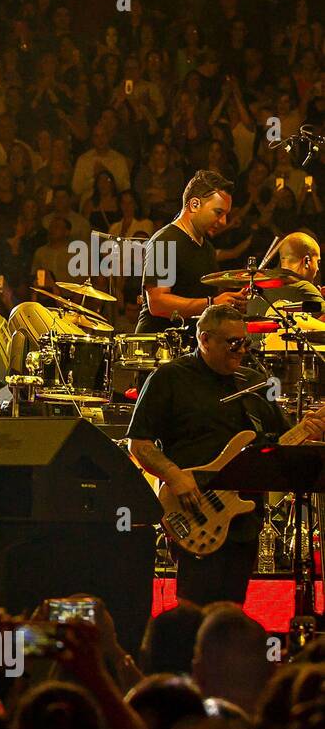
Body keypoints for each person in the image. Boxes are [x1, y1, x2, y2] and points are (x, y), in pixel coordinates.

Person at [126, 304, 325, 605]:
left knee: (231, 613)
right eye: (233, 343)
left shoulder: (254, 382)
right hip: (193, 509)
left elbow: (282, 442)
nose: (241, 350)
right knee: (194, 613)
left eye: (244, 342)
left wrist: (310, 430)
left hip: (244, 517)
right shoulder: (170, 377)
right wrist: (175, 476)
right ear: (205, 340)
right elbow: (138, 444)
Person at [136, 170, 243, 333]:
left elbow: (203, 296)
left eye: (226, 215)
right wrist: (211, 304)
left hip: (190, 346)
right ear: (194, 205)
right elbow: (157, 303)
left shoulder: (207, 248)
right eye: (218, 212)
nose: (223, 222)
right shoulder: (165, 241)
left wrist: (230, 302)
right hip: (158, 349)